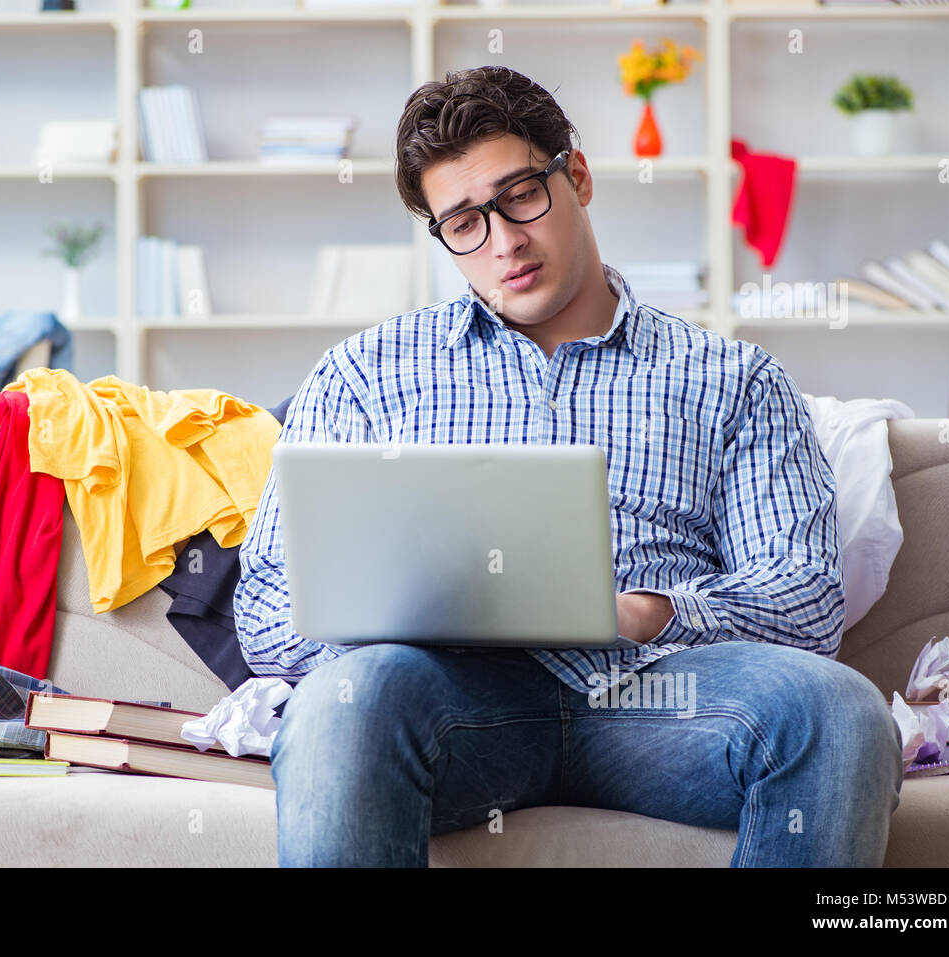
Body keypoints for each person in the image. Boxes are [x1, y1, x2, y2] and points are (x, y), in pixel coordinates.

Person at [233, 65, 902, 867]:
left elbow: (805, 598)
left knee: (841, 713)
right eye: (465, 223)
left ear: (576, 176)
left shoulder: (733, 378)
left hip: (666, 694)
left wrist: (649, 612)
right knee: (346, 704)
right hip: (453, 706)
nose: (505, 242)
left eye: (521, 196)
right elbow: (268, 602)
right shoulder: (364, 374)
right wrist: (404, 628)